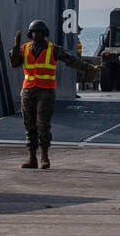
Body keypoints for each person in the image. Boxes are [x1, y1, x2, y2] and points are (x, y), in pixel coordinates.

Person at [8, 19, 94, 169]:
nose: (37, 35)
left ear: (44, 34)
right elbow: (15, 63)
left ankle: (45, 157)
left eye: (39, 33)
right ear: (30, 34)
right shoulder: (24, 48)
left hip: (45, 91)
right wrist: (15, 47)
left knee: (43, 124)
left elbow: (71, 61)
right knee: (29, 125)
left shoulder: (53, 49)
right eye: (34, 32)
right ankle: (32, 157)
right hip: (28, 91)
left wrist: (89, 68)